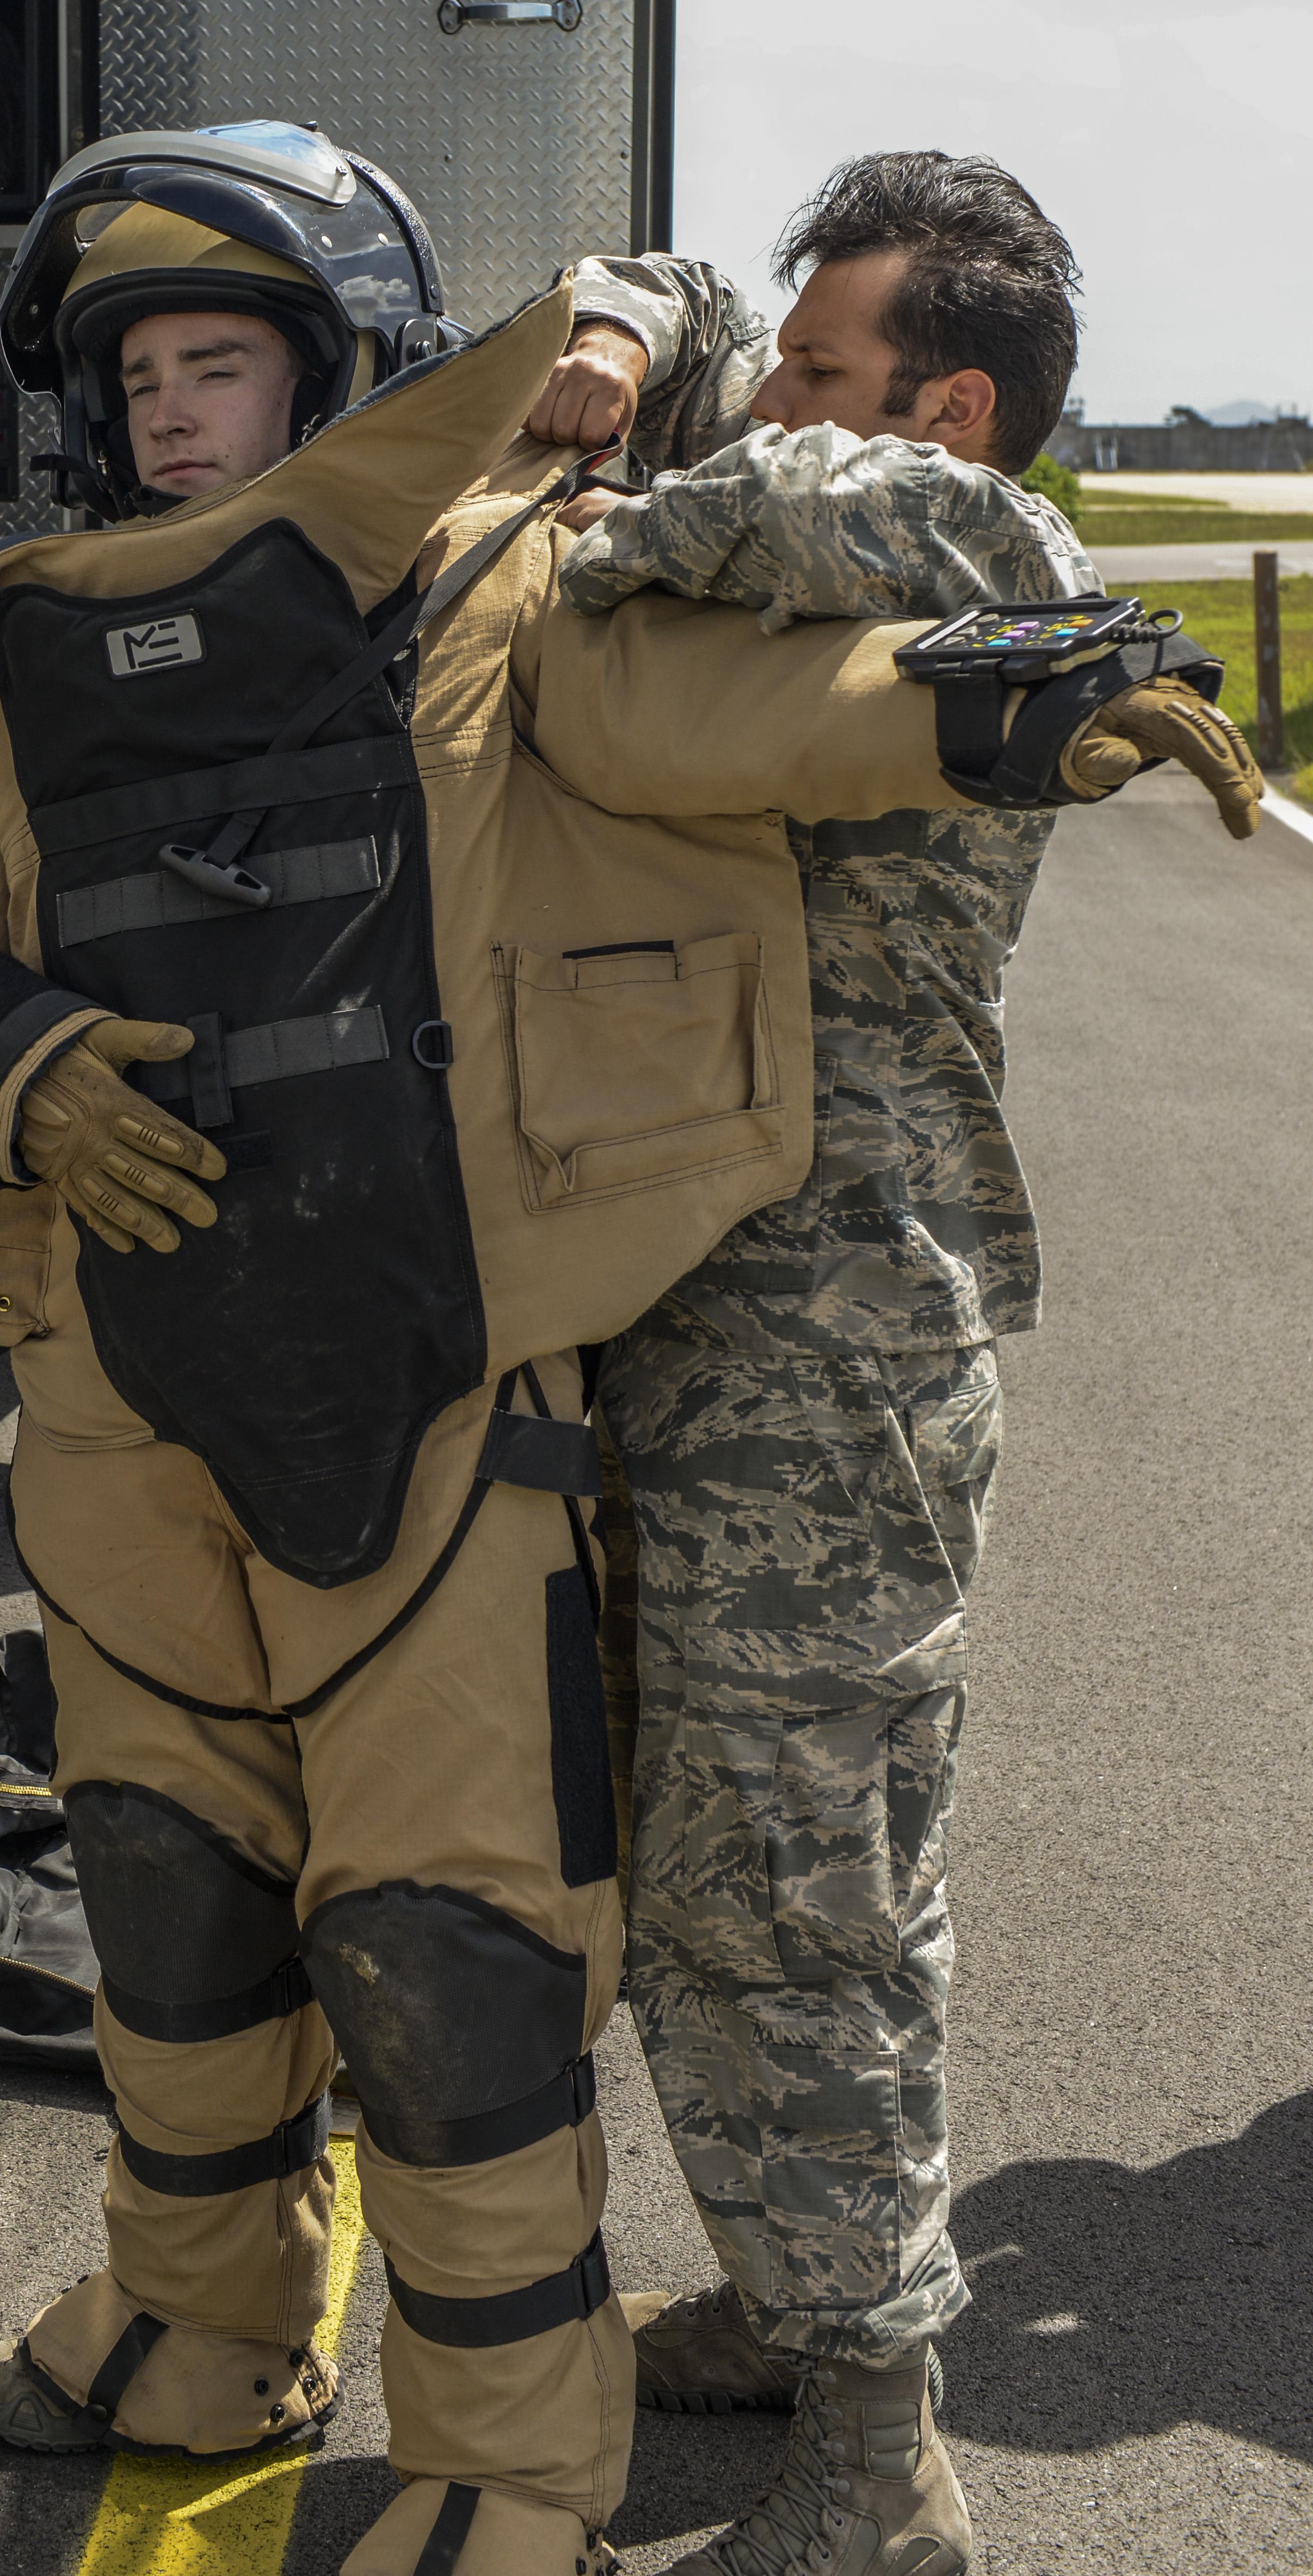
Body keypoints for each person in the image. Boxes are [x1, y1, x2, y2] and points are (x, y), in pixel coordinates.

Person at [0, 126, 1250, 2576]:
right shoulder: (30, 673)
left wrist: (1010, 713)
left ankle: (529, 2455)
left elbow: (742, 708)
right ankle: (203, 2309)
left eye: (219, 361)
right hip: (140, 1403)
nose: (165, 418)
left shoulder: (504, 597)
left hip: (472, 1385)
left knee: (465, 1948)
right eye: (131, 375)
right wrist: (4, 1071)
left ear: (336, 362)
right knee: (170, 1893)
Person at [520, 152, 1260, 2576]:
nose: (776, 409)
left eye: (831, 376)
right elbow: (699, 327)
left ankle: (878, 2452)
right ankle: (780, 2281)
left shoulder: (995, 572)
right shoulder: (847, 558)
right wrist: (632, 335)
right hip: (700, 1319)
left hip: (840, 1349)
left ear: (954, 407)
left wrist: (592, 524)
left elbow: (806, 489)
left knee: (816, 1879)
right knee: (704, 1857)